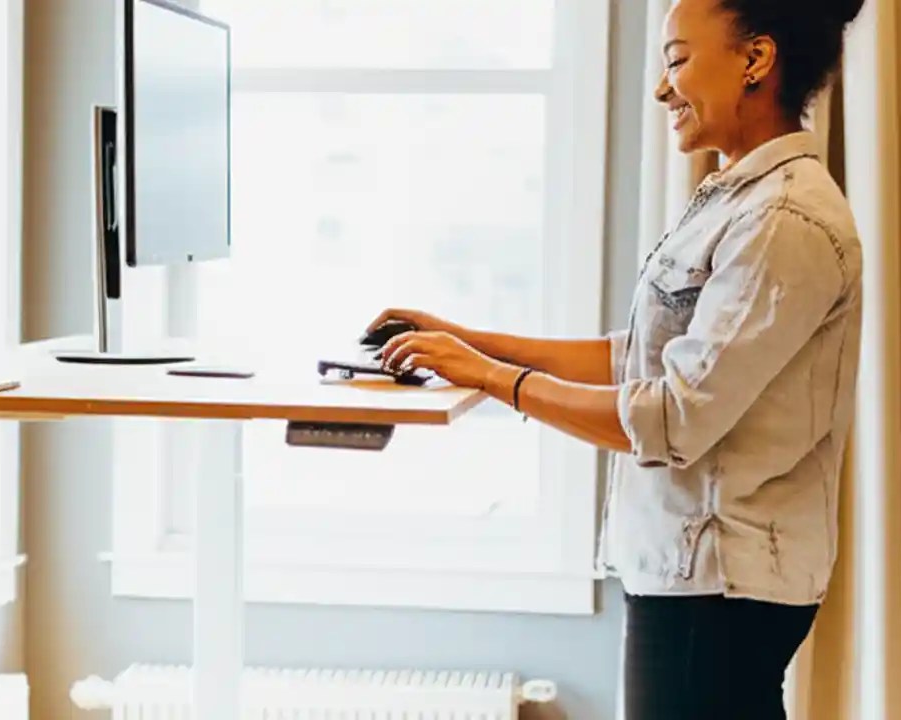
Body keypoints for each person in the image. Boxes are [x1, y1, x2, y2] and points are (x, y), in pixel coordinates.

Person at [371, 0, 866, 717]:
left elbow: (668, 418)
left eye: (676, 61)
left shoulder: (782, 223)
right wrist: (468, 342)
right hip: (694, 578)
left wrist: (490, 378)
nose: (663, 90)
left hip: (719, 587)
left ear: (756, 61)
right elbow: (636, 358)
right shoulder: (737, 201)